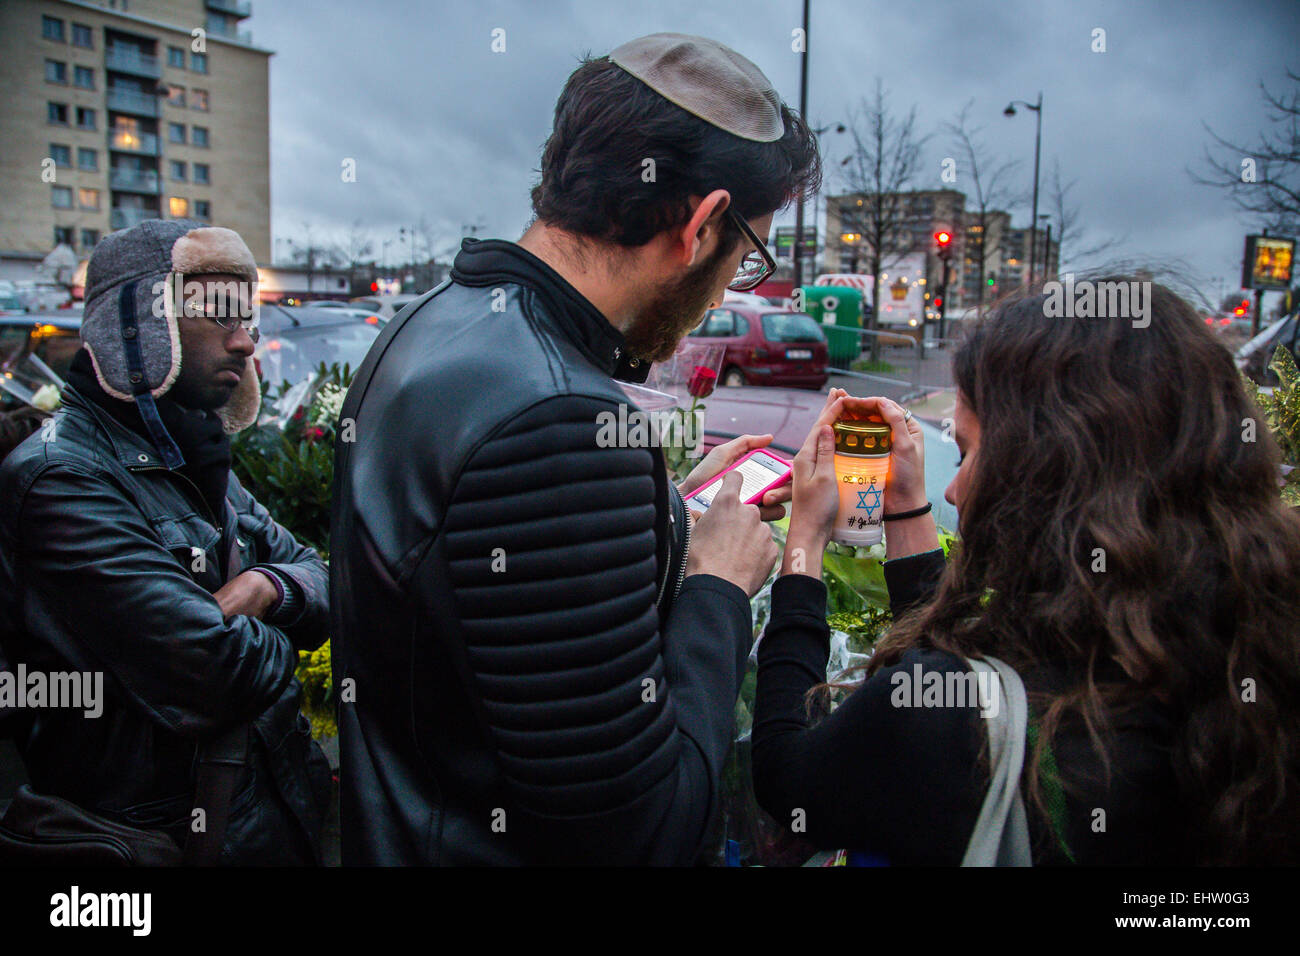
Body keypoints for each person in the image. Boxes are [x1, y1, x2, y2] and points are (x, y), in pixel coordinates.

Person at [331, 33, 820, 865]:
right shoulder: (559, 422)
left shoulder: (431, 322)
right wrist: (718, 586)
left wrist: (661, 510)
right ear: (701, 226)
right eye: (745, 257)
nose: (724, 290)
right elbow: (639, 834)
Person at [753, 279, 1300, 865]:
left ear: (1041, 472)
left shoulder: (952, 730)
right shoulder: (1241, 649)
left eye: (967, 454)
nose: (955, 490)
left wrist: (805, 541)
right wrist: (907, 506)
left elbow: (790, 779)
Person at [0, 219, 331, 864]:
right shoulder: (59, 479)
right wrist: (283, 614)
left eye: (251, 319)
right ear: (135, 325)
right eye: (218, 314)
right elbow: (216, 671)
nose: (245, 342)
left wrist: (264, 586)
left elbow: (320, 574)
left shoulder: (189, 454)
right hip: (150, 849)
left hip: (259, 822)